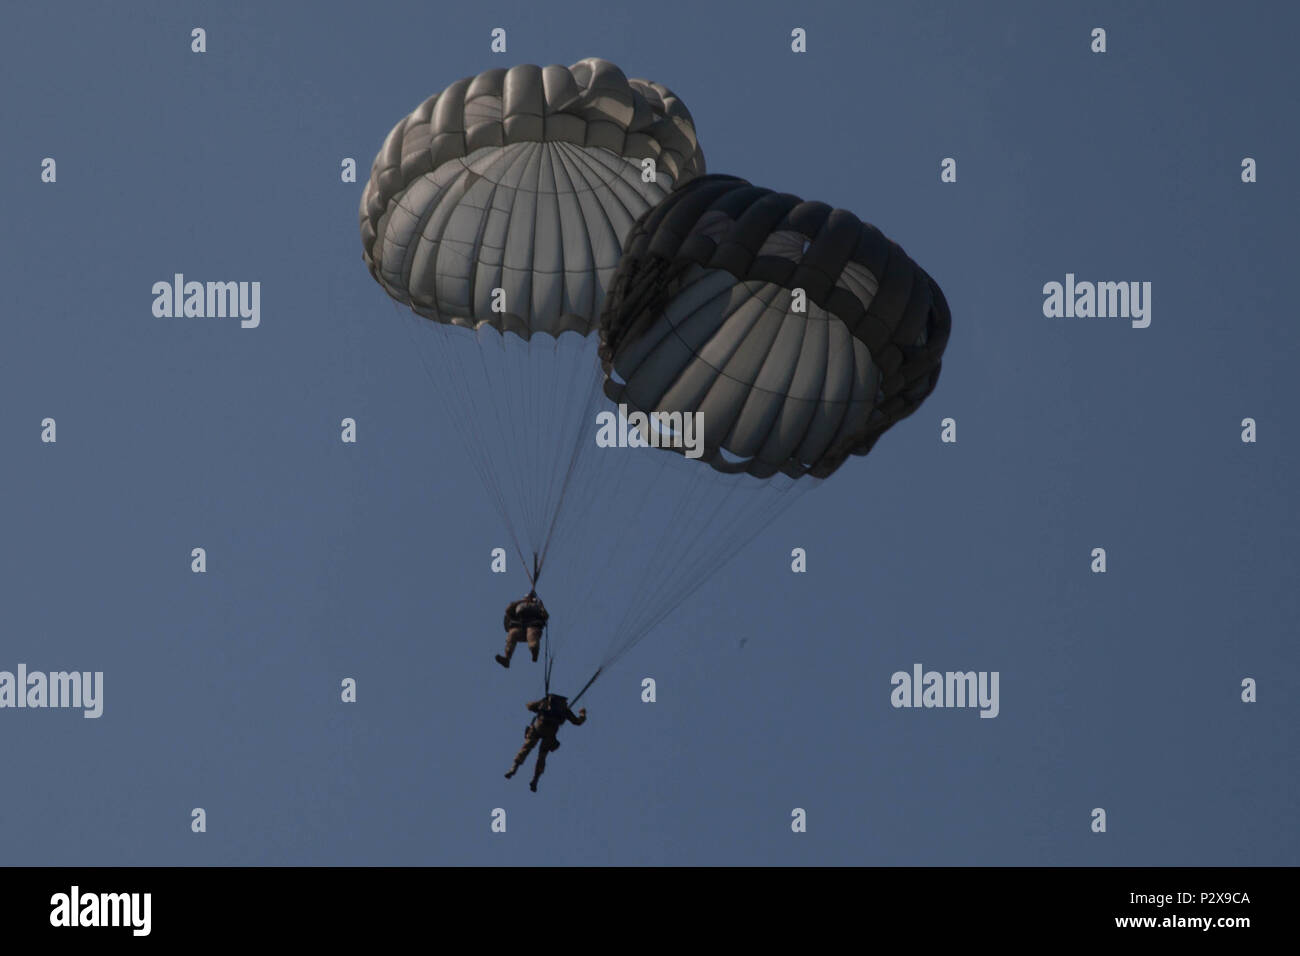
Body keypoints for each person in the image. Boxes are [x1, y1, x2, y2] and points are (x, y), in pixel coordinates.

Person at [504, 694, 587, 791]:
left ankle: (513, 769)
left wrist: (539, 703)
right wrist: (582, 714)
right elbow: (577, 722)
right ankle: (535, 780)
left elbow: (529, 706)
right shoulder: (565, 710)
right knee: (542, 757)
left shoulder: (546, 702)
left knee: (525, 749)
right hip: (549, 734)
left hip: (538, 728)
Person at [495, 590, 548, 668]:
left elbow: (546, 617)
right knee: (512, 633)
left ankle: (534, 651)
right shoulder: (519, 606)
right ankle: (507, 658)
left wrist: (542, 607)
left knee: (531, 633)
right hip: (520, 628)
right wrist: (520, 601)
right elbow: (508, 610)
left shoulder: (538, 607)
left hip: (533, 626)